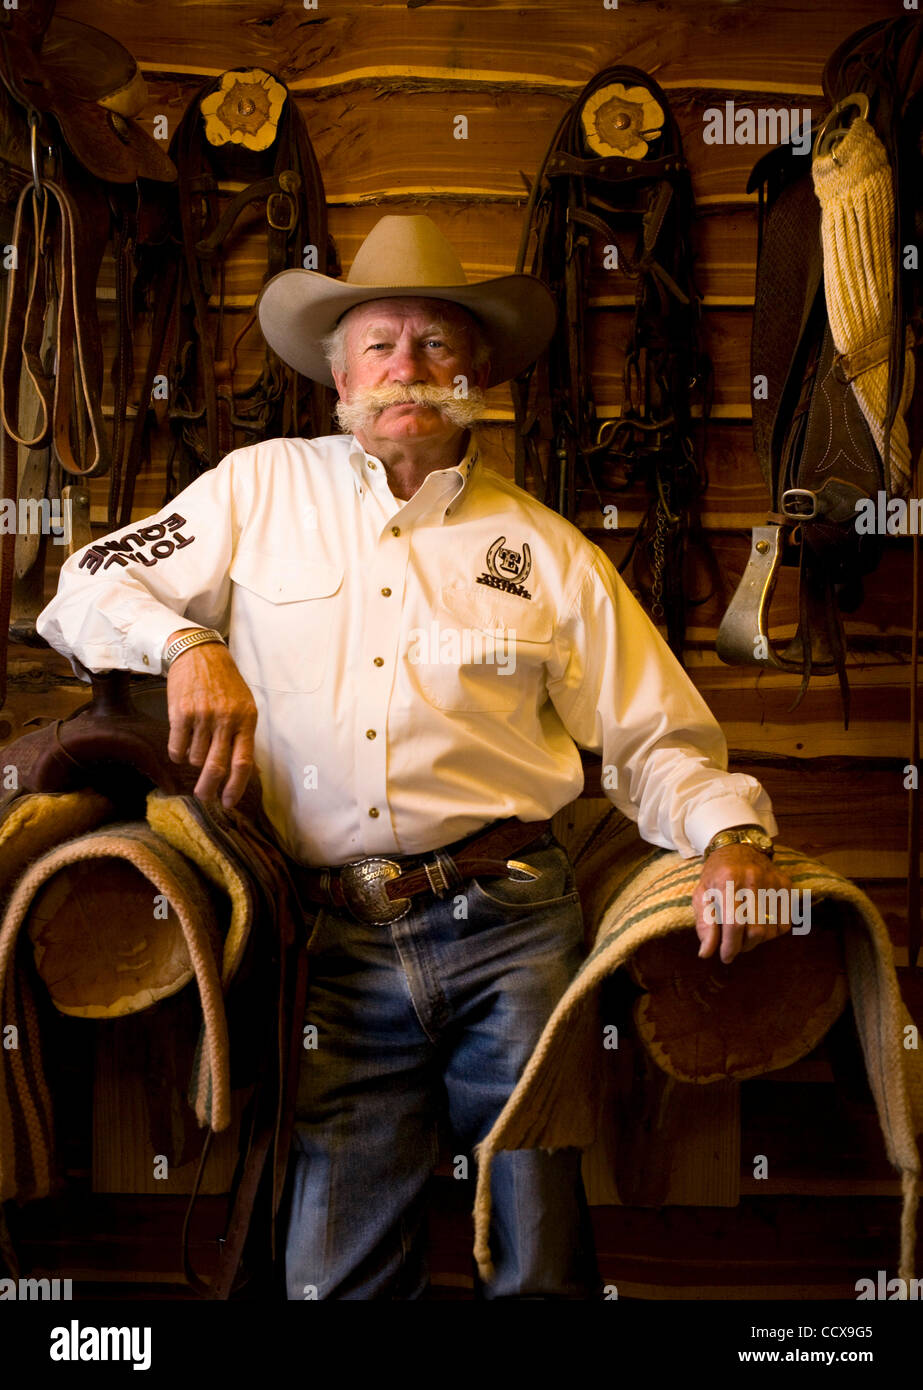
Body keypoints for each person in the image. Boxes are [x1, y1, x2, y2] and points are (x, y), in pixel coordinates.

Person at [36, 214, 790, 1300]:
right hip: (329, 935)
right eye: (379, 344)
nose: (407, 367)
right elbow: (87, 585)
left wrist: (731, 837)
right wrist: (188, 644)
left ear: (472, 375)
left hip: (513, 927)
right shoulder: (255, 490)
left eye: (435, 344)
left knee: (535, 1252)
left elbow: (654, 737)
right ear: (339, 375)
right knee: (332, 1274)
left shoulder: (547, 551)